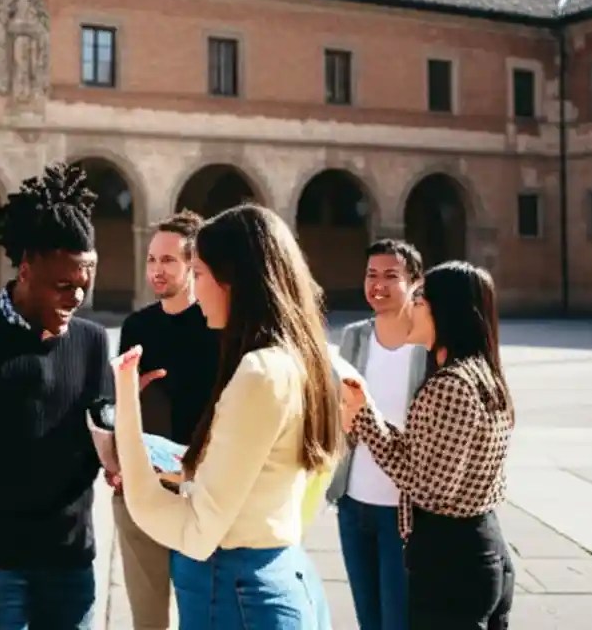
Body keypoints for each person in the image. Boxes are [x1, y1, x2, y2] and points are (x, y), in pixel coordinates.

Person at [112, 203, 343, 629]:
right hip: (274, 569)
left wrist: (125, 406)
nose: (194, 292)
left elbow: (197, 530)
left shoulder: (260, 372)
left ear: (232, 279)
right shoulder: (301, 359)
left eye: (197, 273)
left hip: (235, 588)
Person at [0, 163, 113, 630]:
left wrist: (131, 422)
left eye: (84, 286)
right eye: (63, 285)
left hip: (68, 557)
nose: (76, 296)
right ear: (26, 268)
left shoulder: (92, 341)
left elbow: (100, 433)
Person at [341, 261, 516, 630]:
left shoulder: (450, 386)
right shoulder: (482, 374)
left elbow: (429, 488)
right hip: (478, 546)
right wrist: (367, 414)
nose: (411, 308)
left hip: (451, 559)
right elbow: (427, 459)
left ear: (445, 311)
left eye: (420, 299)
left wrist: (364, 422)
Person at [112, 209, 219, 630]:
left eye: (169, 260)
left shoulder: (217, 325)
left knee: (203, 615)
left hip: (200, 489)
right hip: (145, 487)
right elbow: (119, 410)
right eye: (153, 259)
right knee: (148, 619)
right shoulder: (137, 325)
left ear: (194, 265)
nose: (157, 269)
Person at [324, 239, 427, 630]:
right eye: (371, 275)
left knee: (398, 620)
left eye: (390, 276)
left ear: (415, 282)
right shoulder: (354, 337)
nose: (377, 285)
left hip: (404, 511)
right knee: (368, 619)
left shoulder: (425, 345)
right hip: (353, 503)